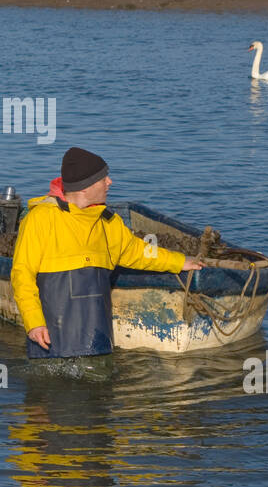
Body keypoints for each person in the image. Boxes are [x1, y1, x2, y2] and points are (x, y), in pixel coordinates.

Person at [11, 147, 203, 359]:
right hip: (50, 343)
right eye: (103, 178)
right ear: (84, 188)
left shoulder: (109, 222)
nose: (110, 182)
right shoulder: (40, 220)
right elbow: (22, 275)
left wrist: (180, 262)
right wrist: (34, 323)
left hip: (98, 343)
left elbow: (136, 252)